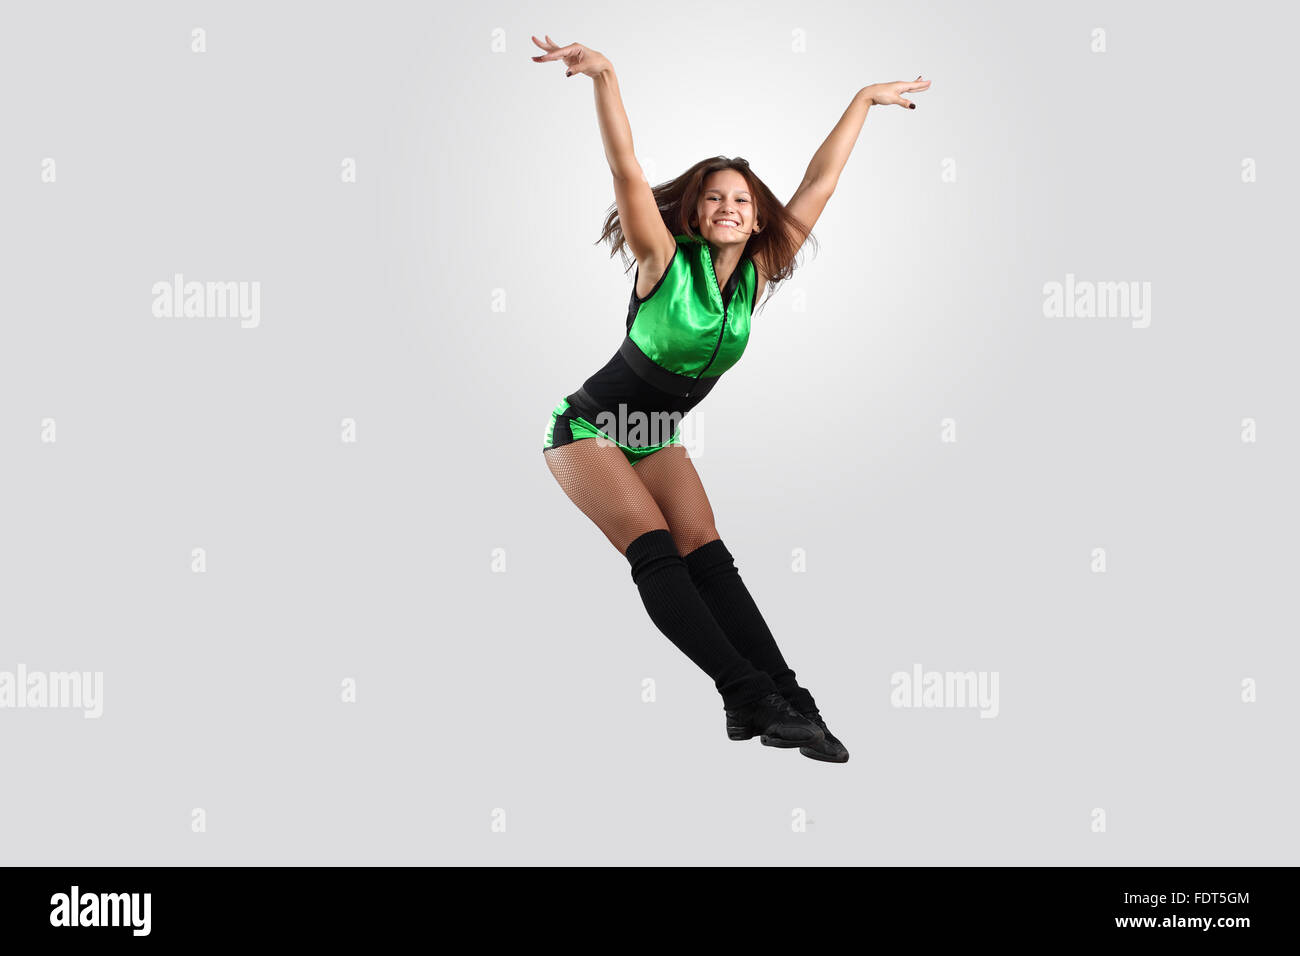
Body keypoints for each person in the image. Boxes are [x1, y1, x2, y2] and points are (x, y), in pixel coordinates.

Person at [533, 34, 929, 762]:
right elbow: (626, 168)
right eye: (713, 196)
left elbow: (819, 183)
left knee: (710, 558)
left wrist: (864, 100)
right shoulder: (662, 260)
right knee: (657, 552)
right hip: (589, 427)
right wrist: (605, 77)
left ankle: (791, 697)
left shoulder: (757, 273)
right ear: (694, 210)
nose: (726, 206)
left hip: (652, 430)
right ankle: (745, 693)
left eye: (740, 200)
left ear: (755, 218)